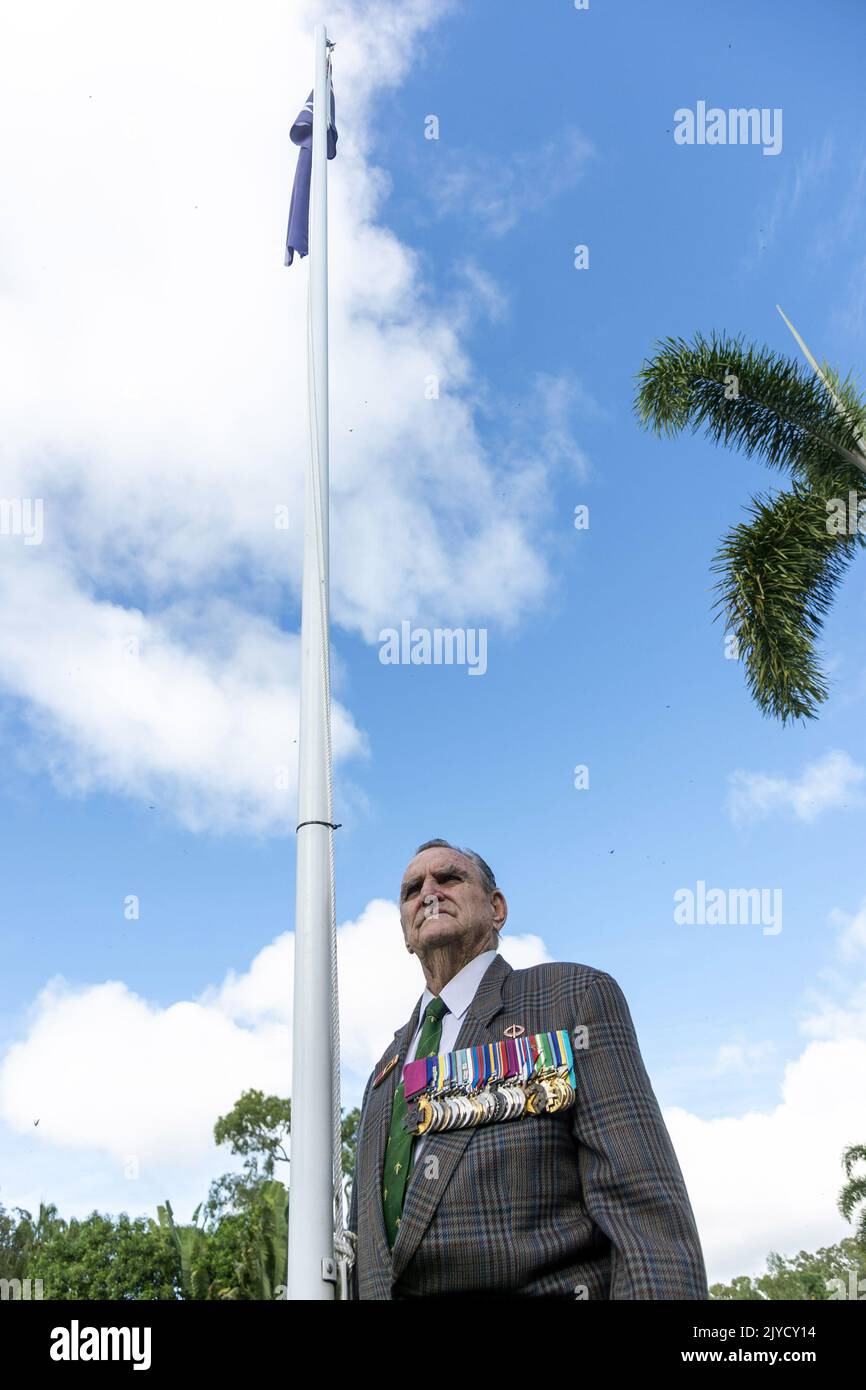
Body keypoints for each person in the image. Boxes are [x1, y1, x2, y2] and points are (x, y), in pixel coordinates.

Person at [347, 838, 708, 1299]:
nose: (429, 892)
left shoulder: (571, 996)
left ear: (497, 908)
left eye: (449, 878)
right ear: (405, 930)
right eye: (412, 889)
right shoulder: (383, 1072)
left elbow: (647, 1217)